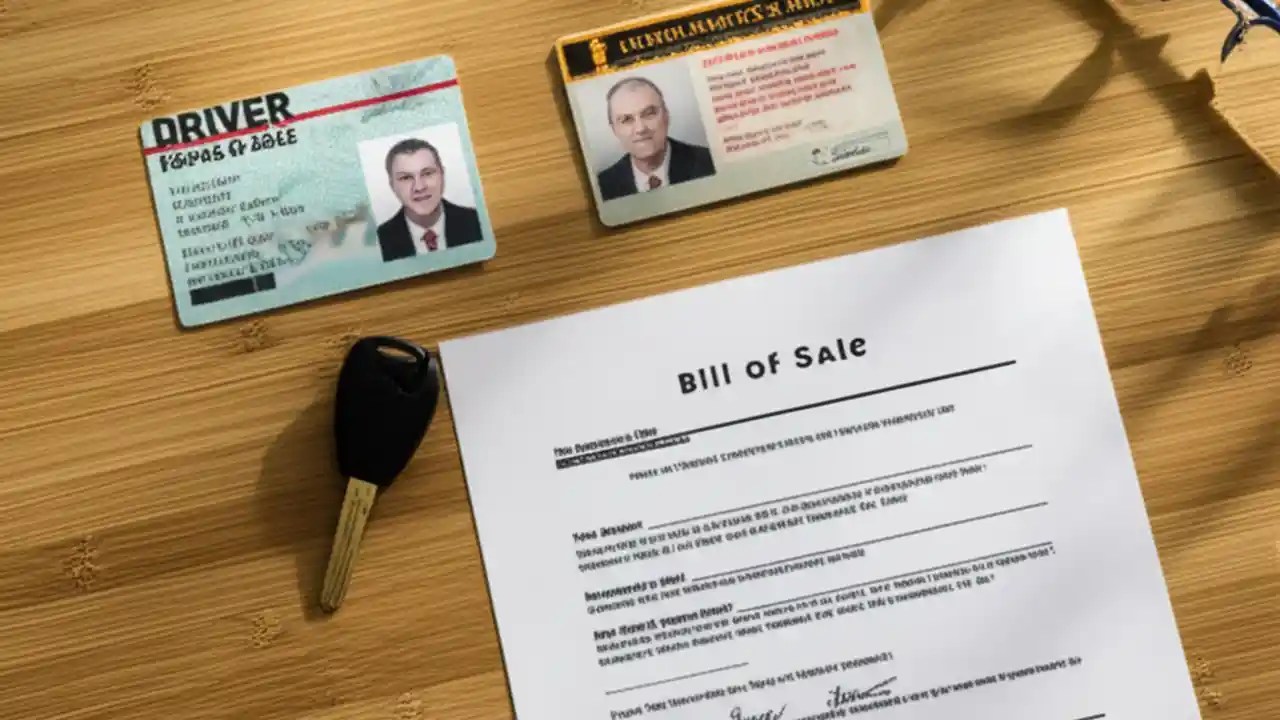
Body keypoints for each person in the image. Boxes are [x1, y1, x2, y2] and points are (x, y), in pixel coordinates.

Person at [596, 77, 716, 201]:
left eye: (649, 113)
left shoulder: (709, 163)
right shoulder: (602, 186)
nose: (640, 129)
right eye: (627, 120)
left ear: (666, 116)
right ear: (614, 130)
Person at [376, 138, 483, 262]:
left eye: (427, 173)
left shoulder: (477, 222)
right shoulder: (379, 242)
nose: (419, 187)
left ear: (442, 175)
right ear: (392, 185)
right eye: (406, 178)